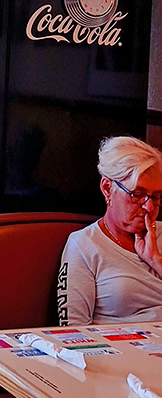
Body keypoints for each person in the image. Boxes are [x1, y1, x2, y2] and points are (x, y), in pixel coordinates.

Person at [57, 135, 162, 326]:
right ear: (107, 188)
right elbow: (72, 330)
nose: (148, 207)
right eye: (137, 194)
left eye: (155, 197)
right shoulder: (84, 245)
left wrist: (156, 260)